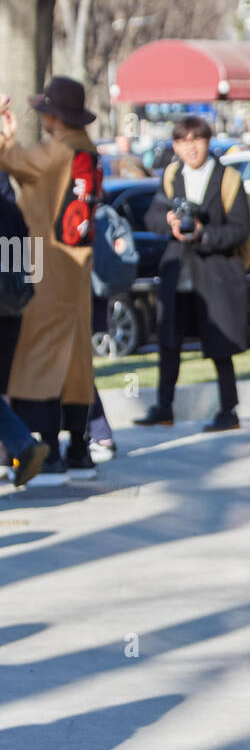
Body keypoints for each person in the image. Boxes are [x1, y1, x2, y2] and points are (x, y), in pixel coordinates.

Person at [0, 76, 101, 483]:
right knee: (76, 359)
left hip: (46, 262)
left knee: (40, 354)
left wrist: (5, 138)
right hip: (76, 265)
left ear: (54, 117)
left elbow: (18, 164)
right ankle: (79, 447)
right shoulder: (85, 149)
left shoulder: (59, 149)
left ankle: (50, 450)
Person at [133, 114, 250, 432]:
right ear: (175, 146)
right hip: (178, 274)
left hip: (215, 274)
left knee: (219, 346)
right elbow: (152, 217)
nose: (191, 148)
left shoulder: (227, 179)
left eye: (196, 140)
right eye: (184, 142)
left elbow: (240, 229)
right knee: (169, 344)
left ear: (208, 142)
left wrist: (203, 234)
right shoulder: (172, 176)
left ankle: (229, 409)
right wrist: (170, 222)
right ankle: (163, 406)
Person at [0, 171, 50, 485]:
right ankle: (18, 446)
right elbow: (28, 259)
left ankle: (19, 445)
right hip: (12, 309)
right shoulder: (10, 209)